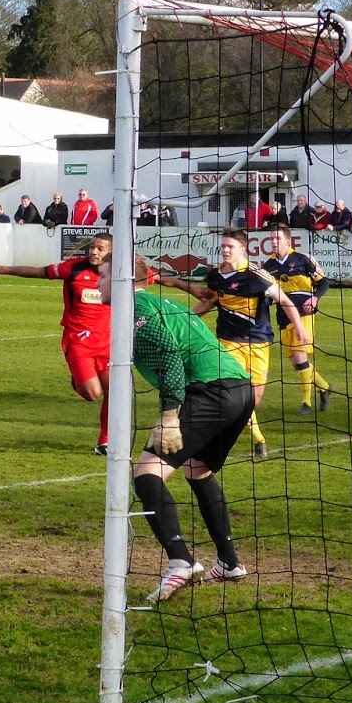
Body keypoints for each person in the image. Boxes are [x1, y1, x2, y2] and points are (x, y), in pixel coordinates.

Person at [98, 253, 253, 604]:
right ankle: (229, 563)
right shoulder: (160, 303)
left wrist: (170, 416)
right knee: (197, 470)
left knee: (146, 473)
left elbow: (169, 357)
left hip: (210, 390)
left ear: (121, 279)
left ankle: (181, 561)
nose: (97, 282)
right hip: (239, 389)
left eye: (103, 275)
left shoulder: (136, 308)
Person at [0, 236, 118, 455]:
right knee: (92, 394)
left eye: (100, 248)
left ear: (111, 252)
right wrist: (3, 269)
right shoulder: (73, 269)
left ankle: (104, 442)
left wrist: (184, 287)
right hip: (78, 341)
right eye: (92, 247)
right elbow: (39, 272)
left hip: (106, 342)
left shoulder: (121, 272)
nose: (94, 252)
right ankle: (78, 381)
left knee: (113, 392)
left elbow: (155, 278)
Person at [193, 229, 309, 459]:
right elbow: (211, 302)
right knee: (236, 392)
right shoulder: (215, 276)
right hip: (228, 341)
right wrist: (186, 318)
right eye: (223, 246)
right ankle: (258, 439)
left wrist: (300, 326)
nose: (225, 250)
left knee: (254, 398)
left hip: (258, 341)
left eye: (230, 246)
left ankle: (249, 434)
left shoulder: (257, 275)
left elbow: (284, 300)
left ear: (243, 249)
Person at [264, 225, 333, 417]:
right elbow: (268, 295)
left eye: (278, 238)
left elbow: (324, 282)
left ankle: (306, 403)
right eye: (272, 239)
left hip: (304, 313)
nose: (274, 242)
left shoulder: (303, 259)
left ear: (288, 241)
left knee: (300, 357)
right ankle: (324, 387)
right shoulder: (268, 266)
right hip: (283, 316)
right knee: (295, 363)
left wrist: (315, 298)